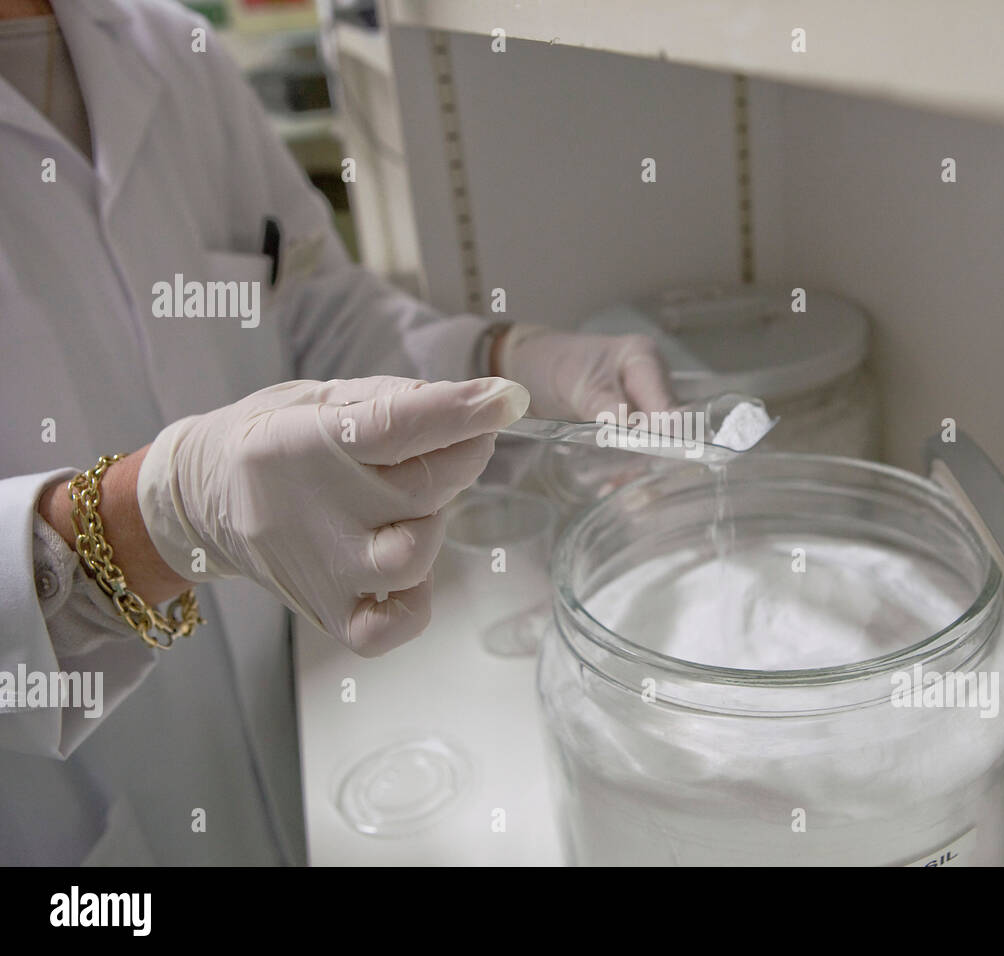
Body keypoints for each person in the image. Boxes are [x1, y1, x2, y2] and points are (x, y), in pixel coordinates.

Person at [0, 0, 673, 864]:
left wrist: (511, 364)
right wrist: (146, 524)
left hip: (288, 721)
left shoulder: (168, 45)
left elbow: (320, 318)